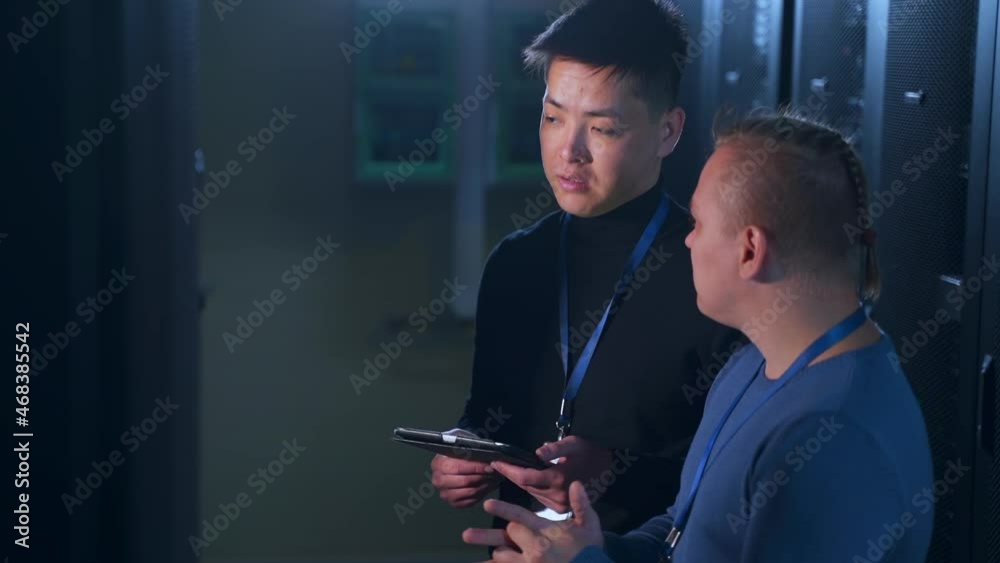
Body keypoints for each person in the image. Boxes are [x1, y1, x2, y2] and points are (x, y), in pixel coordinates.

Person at [461, 112, 936, 563]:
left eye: (699, 224)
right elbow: (682, 533)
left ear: (750, 250)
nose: (687, 240)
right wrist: (586, 548)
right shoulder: (752, 364)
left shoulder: (833, 437)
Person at [429, 0, 743, 536]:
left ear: (667, 132)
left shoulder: (714, 274)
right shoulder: (515, 262)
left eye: (602, 129)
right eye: (552, 118)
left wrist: (617, 471)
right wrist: (463, 456)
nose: (568, 151)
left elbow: (739, 480)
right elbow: (486, 414)